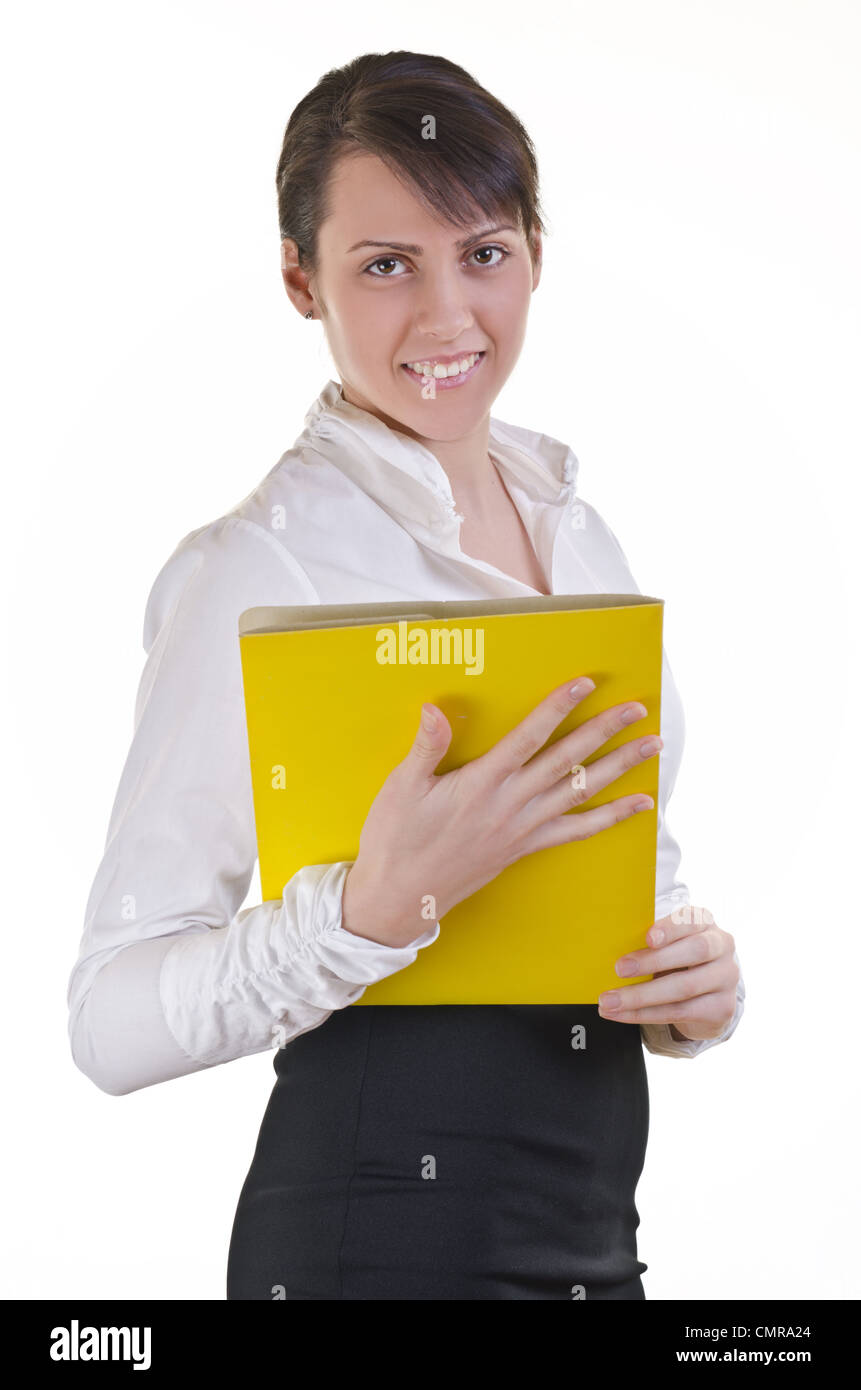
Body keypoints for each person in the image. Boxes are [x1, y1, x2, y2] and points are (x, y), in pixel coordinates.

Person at [67, 51, 744, 1301]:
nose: (446, 318)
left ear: (537, 250)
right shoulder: (256, 568)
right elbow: (108, 1021)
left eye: (482, 251)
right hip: (379, 1245)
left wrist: (690, 980)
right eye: (387, 265)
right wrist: (368, 912)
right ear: (298, 278)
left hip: (593, 1235)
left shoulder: (581, 534)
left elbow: (629, 872)